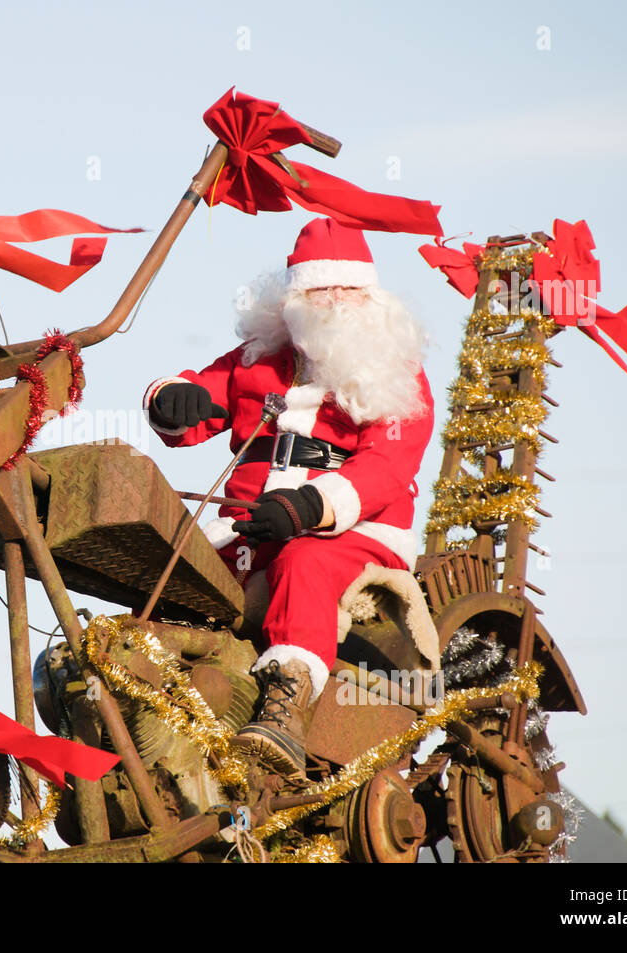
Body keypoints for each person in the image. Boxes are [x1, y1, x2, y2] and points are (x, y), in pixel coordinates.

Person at [143, 218, 435, 782]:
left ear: (370, 297)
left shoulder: (396, 374)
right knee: (177, 577)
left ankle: (285, 708)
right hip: (247, 530)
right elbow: (200, 392)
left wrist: (307, 508)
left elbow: (386, 468)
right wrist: (171, 400)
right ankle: (145, 705)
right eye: (317, 291)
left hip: (352, 535)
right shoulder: (257, 359)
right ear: (293, 299)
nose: (333, 303)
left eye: (347, 291)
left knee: (304, 561)